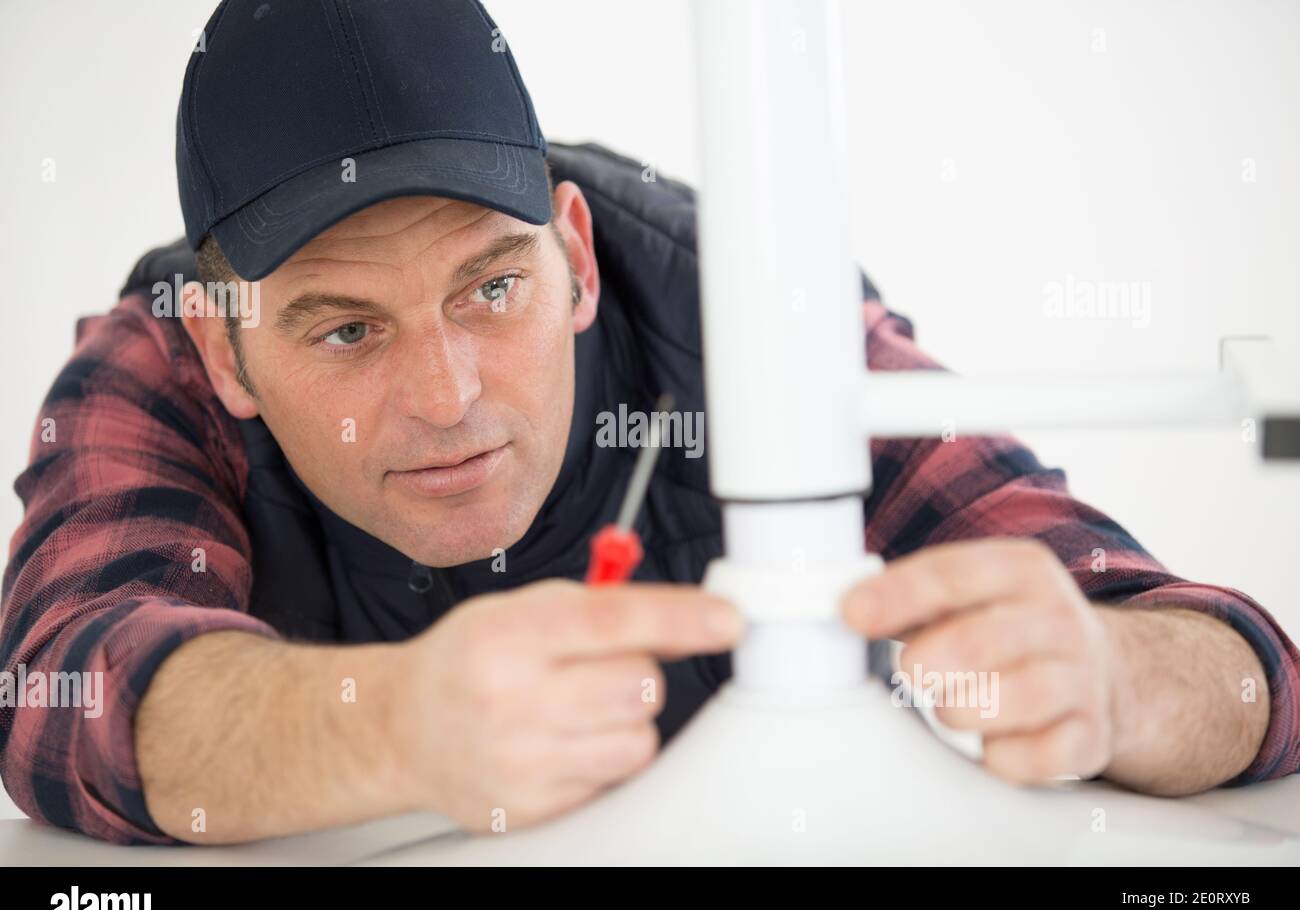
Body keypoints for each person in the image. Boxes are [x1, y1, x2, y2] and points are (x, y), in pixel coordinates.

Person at [1, 0, 1295, 847]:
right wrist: (392, 723)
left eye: (490, 288)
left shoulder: (751, 310)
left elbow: (1242, 670)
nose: (447, 398)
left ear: (574, 254)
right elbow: (59, 686)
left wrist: (1118, 684)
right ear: (228, 345)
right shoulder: (160, 356)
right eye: (347, 329)